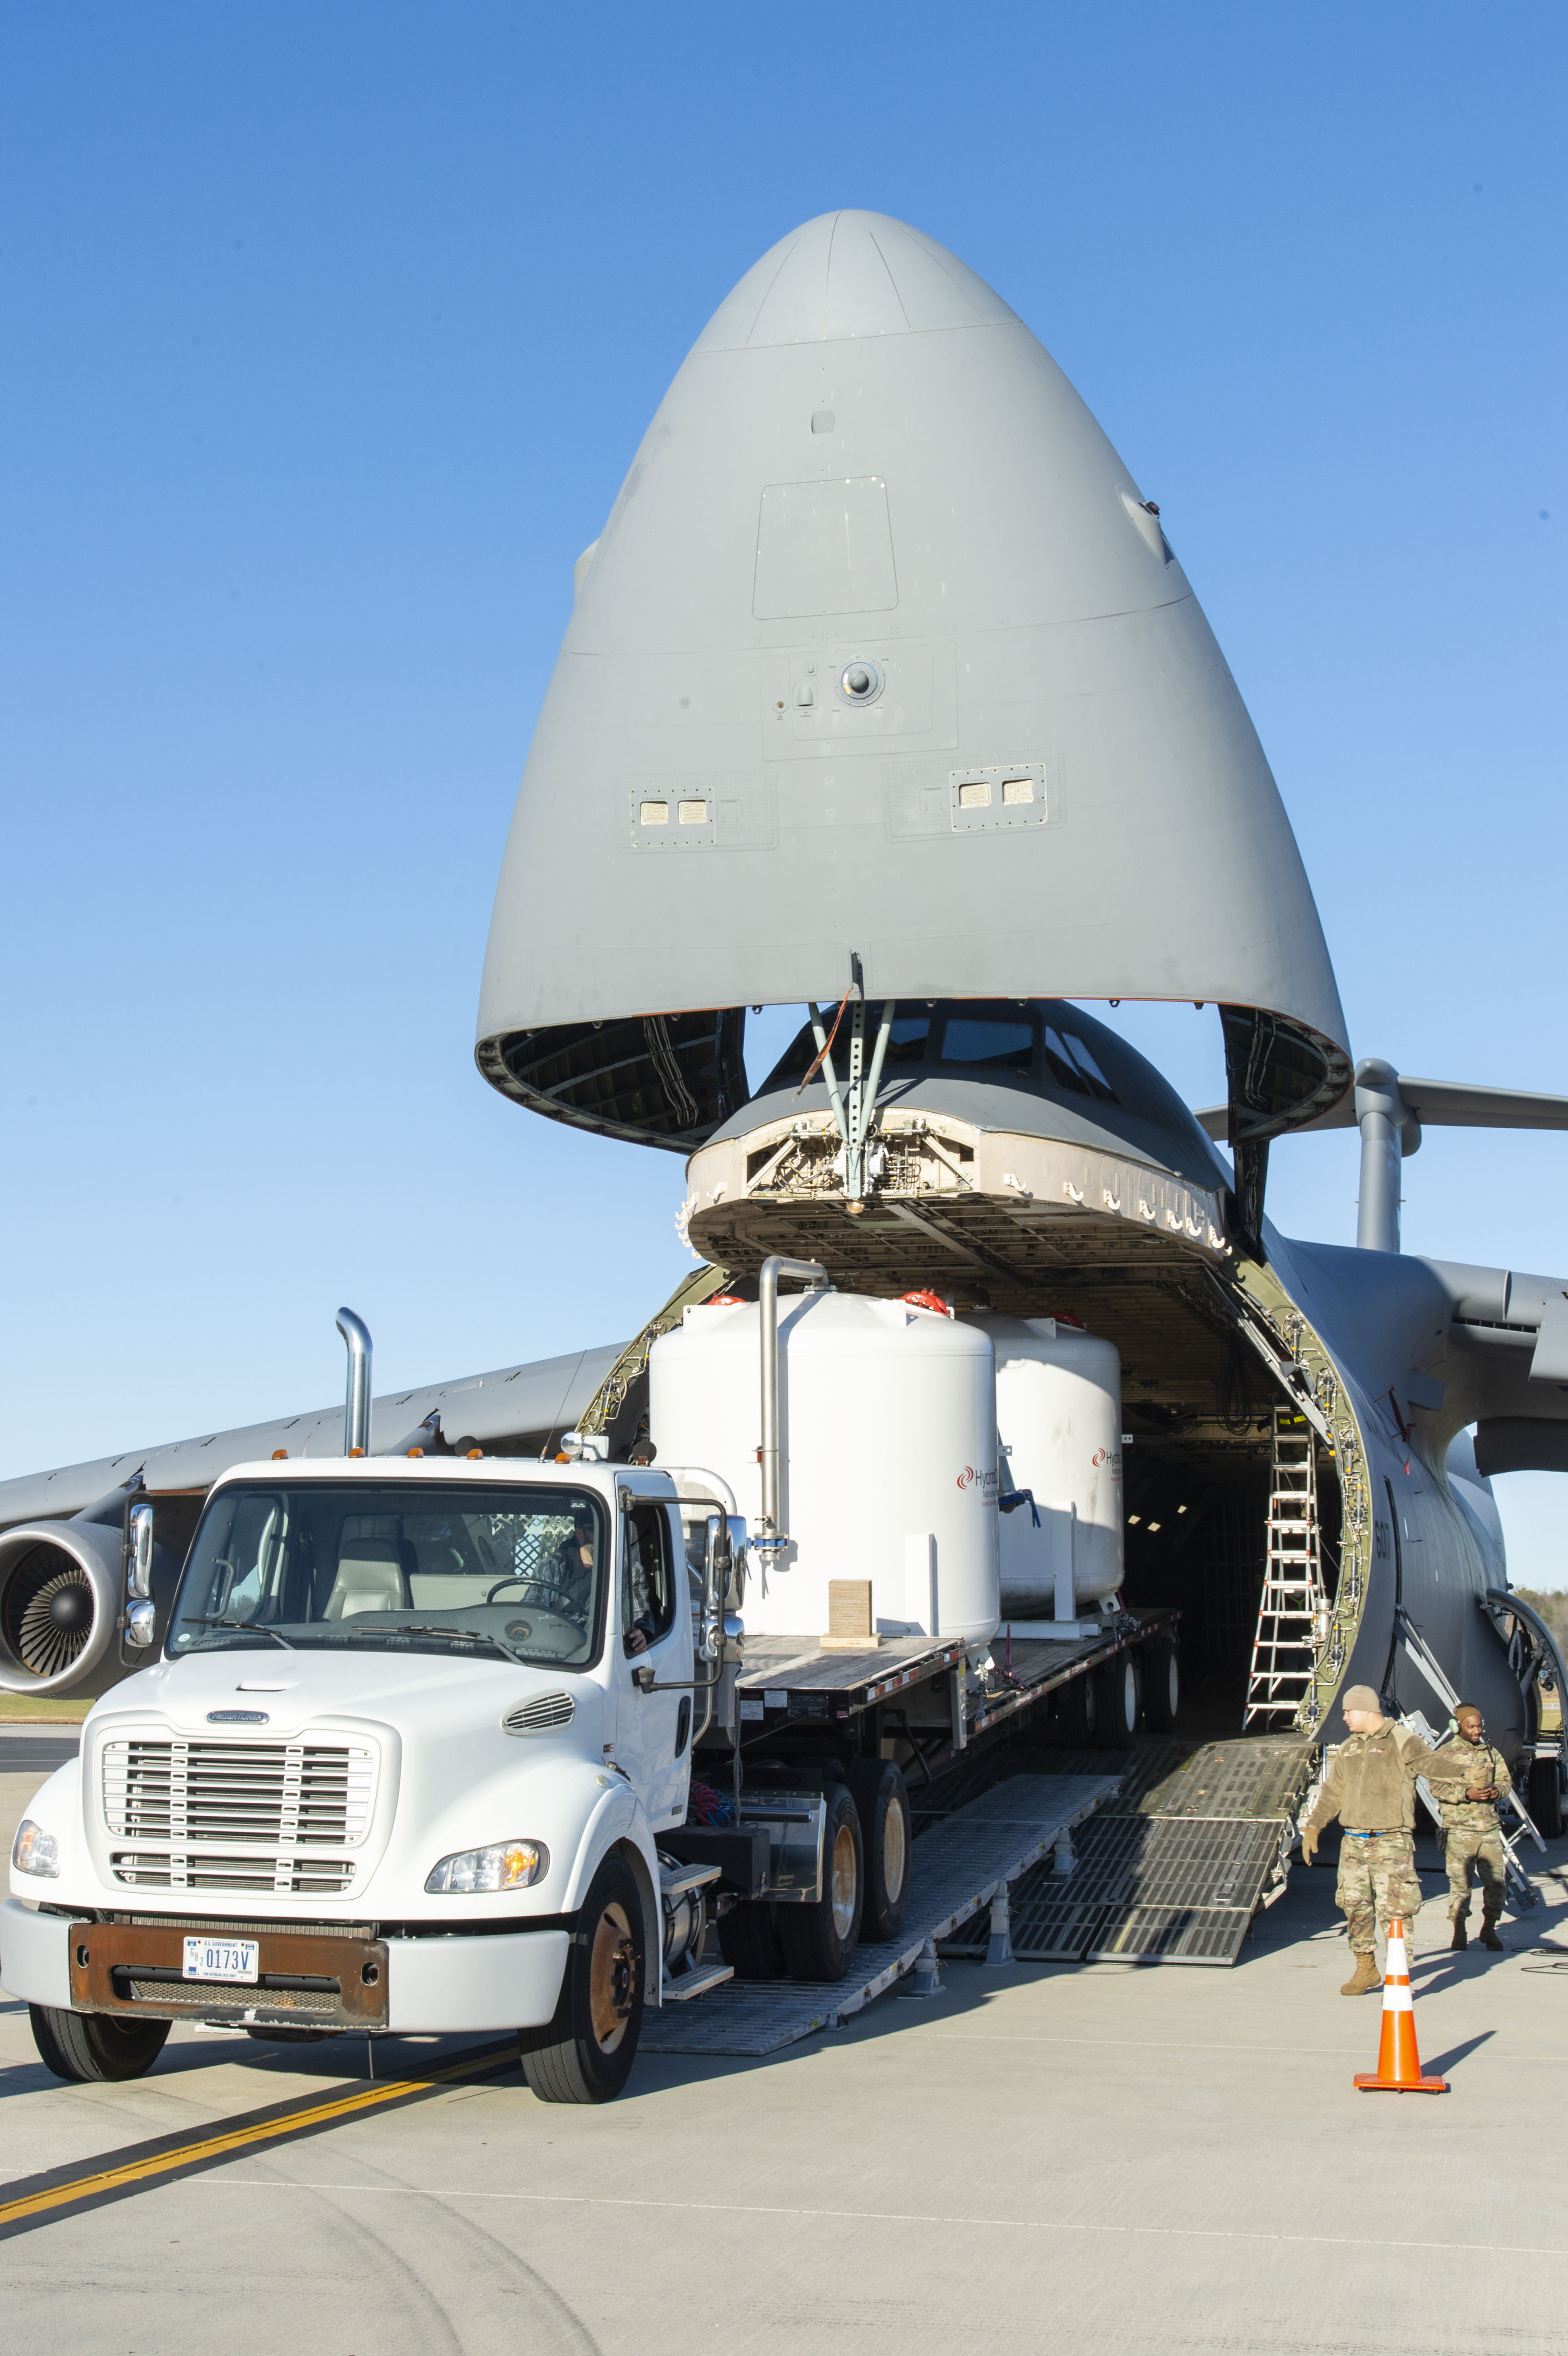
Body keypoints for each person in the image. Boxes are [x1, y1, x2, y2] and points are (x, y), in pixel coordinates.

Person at [1300, 1684, 1451, 1996]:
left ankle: (1399, 1974)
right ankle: (1365, 1968)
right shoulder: (1349, 1748)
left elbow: (1433, 1765)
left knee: (1396, 1911)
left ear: (1366, 1710)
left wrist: (1466, 1773)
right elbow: (1333, 1792)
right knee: (1354, 1906)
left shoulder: (1403, 1741)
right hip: (1353, 1843)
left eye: (1348, 1711)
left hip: (1391, 1841)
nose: (1344, 1717)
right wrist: (1313, 1827)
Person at [1428, 1704, 1512, 1952]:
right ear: (1458, 1727)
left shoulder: (1491, 1753)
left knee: (1497, 1885)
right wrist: (1467, 1794)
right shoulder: (1445, 1754)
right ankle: (1460, 1930)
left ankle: (1489, 1929)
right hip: (1459, 1831)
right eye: (1471, 1727)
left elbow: (1505, 1781)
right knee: (1461, 1887)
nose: (1477, 1731)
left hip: (1489, 1830)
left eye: (1479, 1726)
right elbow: (1436, 1788)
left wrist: (1496, 1791)